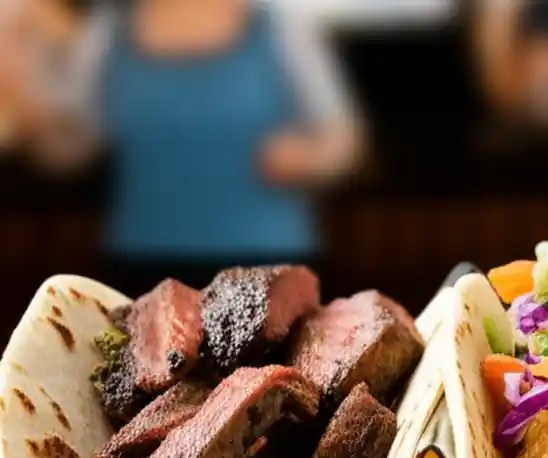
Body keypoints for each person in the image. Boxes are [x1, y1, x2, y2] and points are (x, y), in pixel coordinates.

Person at [2, 0, 361, 293]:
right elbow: (72, 149)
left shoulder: (280, 26)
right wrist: (22, 87)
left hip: (273, 267)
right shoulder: (109, 33)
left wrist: (311, 158)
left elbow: (345, 141)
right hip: (144, 270)